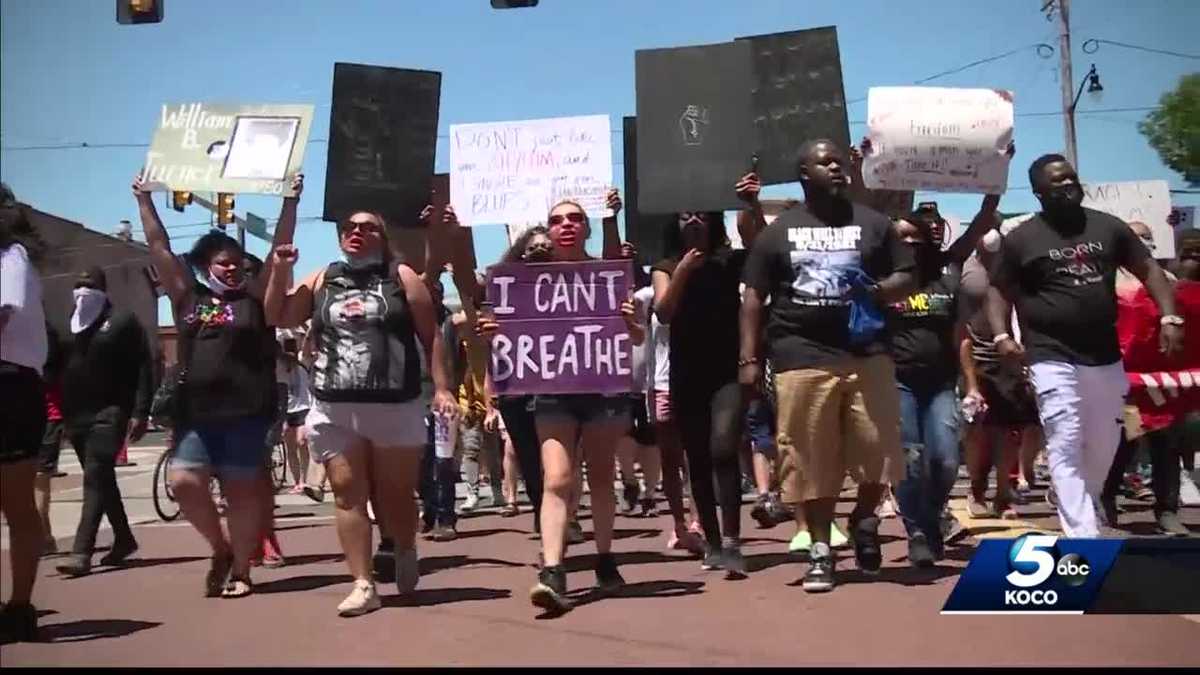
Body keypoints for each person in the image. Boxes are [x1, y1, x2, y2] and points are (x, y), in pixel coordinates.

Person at [264, 191, 456, 617]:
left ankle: (405, 546)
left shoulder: (401, 276)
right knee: (348, 493)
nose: (356, 232)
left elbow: (431, 336)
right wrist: (279, 270)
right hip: (335, 405)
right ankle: (363, 583)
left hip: (394, 404)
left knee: (395, 495)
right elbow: (278, 316)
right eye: (350, 227)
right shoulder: (322, 278)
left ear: (382, 239)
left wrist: (443, 388)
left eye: (368, 228)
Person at [740, 138, 917, 593]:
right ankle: (820, 549)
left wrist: (877, 292)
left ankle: (863, 519)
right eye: (826, 163)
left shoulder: (875, 224)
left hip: (867, 353)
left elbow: (908, 274)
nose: (837, 168)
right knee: (808, 458)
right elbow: (754, 297)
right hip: (801, 356)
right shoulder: (778, 232)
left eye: (840, 162)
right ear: (805, 174)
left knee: (879, 452)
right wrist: (749, 359)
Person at [985, 154, 1183, 538]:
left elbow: (1149, 269)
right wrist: (1002, 336)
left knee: (1105, 442)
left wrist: (1169, 317)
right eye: (1056, 181)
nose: (1066, 185)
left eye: (1070, 177)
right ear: (1039, 193)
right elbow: (998, 290)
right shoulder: (1023, 239)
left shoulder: (1109, 227)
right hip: (1049, 354)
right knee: (1065, 437)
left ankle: (1081, 498)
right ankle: (1083, 532)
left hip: (1103, 355)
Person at [477, 191, 645, 613]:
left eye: (574, 218)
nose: (566, 225)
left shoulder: (606, 276)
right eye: (557, 220)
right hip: (553, 392)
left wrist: (630, 324)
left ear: (586, 228)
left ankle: (605, 558)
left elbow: (636, 336)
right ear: (549, 231)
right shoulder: (526, 284)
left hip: (602, 390)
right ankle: (553, 569)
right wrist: (494, 332)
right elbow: (510, 339)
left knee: (601, 477)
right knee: (556, 479)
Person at [134, 171, 283, 599]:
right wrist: (145, 200)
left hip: (246, 414)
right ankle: (221, 549)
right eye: (223, 263)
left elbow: (278, 250)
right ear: (204, 267)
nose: (233, 268)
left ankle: (241, 571)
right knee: (184, 482)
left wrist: (290, 202)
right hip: (196, 415)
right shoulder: (188, 298)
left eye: (238, 262)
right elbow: (159, 247)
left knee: (241, 493)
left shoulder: (255, 301)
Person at [652, 171, 763, 577]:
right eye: (686, 216)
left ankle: (733, 540)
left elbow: (760, 248)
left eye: (701, 214)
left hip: (726, 370)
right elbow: (663, 312)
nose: (694, 220)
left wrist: (751, 204)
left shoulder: (730, 261)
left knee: (722, 449)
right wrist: (684, 268)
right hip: (686, 373)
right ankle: (713, 543)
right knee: (696, 458)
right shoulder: (665, 266)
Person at [887, 189, 1002, 566]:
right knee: (910, 459)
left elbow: (960, 337)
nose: (909, 243)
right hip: (897, 382)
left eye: (915, 237)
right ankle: (918, 532)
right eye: (902, 237)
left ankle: (932, 514)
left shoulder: (947, 271)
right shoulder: (884, 276)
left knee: (946, 460)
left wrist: (992, 190)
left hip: (940, 384)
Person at [1098, 222, 1198, 536]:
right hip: (1122, 380)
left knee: (1166, 443)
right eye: (1136, 237)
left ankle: (1167, 510)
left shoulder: (1167, 281)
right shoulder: (1105, 279)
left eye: (1147, 237)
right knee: (1124, 443)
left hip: (1161, 383)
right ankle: (1106, 499)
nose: (1142, 242)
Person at [54, 266, 154, 577]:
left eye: (90, 285)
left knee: (95, 477)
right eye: (79, 285)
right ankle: (124, 539)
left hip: (110, 412)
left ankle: (81, 552)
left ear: (103, 290)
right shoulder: (69, 324)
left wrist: (140, 412)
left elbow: (144, 366)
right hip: (76, 415)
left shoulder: (122, 322)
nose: (84, 291)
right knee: (103, 481)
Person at [958, 223, 1043, 522]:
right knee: (978, 431)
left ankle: (1003, 494)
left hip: (1012, 359)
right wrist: (969, 379)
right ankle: (977, 490)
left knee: (1010, 433)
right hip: (977, 358)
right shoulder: (965, 269)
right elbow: (960, 328)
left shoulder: (1017, 265)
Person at [0, 202, 49, 642]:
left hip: (10, 384)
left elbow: (3, 314)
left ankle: (19, 607)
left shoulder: (11, 257)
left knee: (16, 502)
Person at [35, 323, 67, 556]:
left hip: (48, 416)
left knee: (38, 477)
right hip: (28, 414)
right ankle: (44, 536)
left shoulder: (45, 334)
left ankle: (43, 537)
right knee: (32, 478)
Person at [279, 333, 313, 494]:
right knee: (290, 447)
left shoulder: (302, 361)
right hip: (287, 409)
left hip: (303, 407)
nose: (290, 351)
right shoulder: (280, 364)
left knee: (302, 442)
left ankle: (304, 480)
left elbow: (307, 347)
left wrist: (309, 330)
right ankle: (297, 482)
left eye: (292, 346)